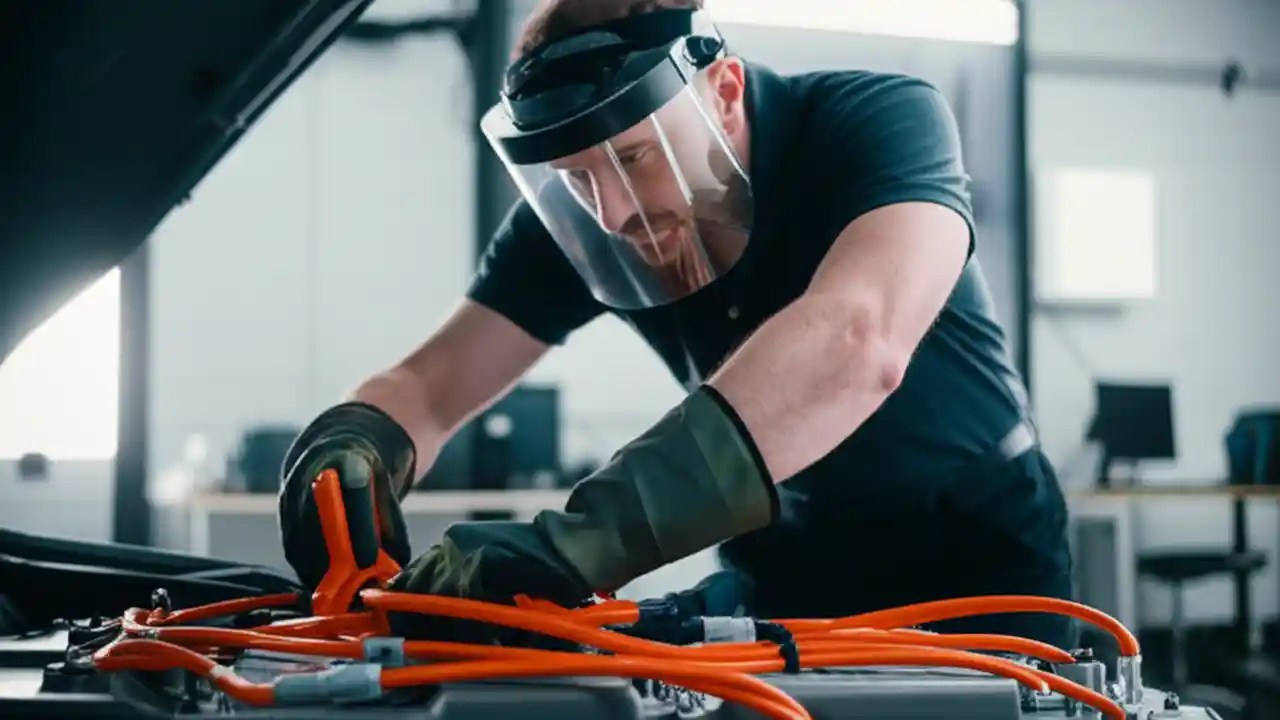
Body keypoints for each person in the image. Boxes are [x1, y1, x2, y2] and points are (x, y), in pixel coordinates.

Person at [277, 0, 1076, 648]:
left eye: (634, 157)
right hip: (785, 557)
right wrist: (355, 441)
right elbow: (431, 380)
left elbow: (857, 342)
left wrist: (582, 542)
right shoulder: (585, 213)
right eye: (575, 177)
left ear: (723, 91)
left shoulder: (872, 120)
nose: (612, 210)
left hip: (975, 557)